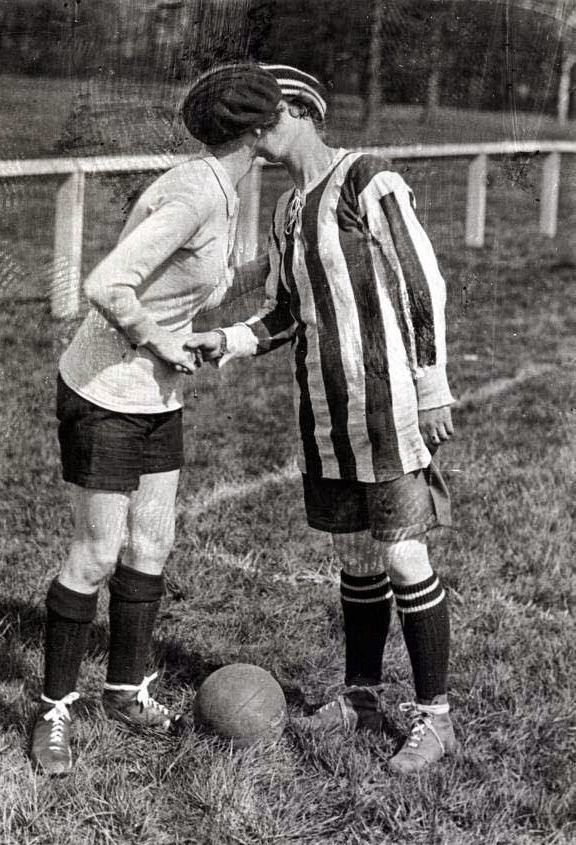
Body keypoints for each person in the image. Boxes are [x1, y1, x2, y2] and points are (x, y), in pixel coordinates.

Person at [187, 64, 457, 774]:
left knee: (403, 554)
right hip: (324, 414)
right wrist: (231, 340)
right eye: (251, 128)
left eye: (268, 121)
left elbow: (420, 279)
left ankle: (435, 718)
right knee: (357, 560)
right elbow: (283, 310)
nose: (260, 138)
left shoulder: (365, 178)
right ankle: (360, 695)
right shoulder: (285, 211)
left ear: (304, 112)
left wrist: (431, 384)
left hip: (388, 405)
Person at [30, 63, 284, 775]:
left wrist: (283, 263)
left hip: (155, 396)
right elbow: (106, 282)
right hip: (106, 390)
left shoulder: (222, 185)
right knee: (96, 552)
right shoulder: (193, 192)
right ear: (259, 131)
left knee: (153, 543)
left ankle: (124, 689)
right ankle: (53, 709)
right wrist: (155, 338)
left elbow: (200, 282)